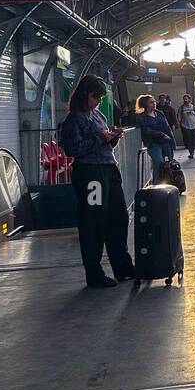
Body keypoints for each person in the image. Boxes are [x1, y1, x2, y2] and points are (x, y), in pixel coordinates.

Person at [58, 76, 134, 288]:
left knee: (118, 217)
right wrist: (102, 138)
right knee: (94, 221)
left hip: (108, 169)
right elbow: (73, 149)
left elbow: (103, 143)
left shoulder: (97, 114)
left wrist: (113, 137)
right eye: (95, 96)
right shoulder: (75, 119)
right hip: (90, 174)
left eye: (100, 97)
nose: (98, 101)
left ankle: (123, 267)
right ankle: (94, 272)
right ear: (85, 94)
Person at [136, 94, 174, 176]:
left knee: (168, 164)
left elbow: (167, 128)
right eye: (151, 102)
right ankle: (157, 183)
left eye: (154, 101)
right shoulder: (141, 117)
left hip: (165, 142)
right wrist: (160, 134)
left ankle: (169, 183)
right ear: (145, 104)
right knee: (159, 163)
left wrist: (172, 141)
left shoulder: (160, 113)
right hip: (153, 143)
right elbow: (145, 130)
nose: (154, 103)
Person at [178, 93, 195, 159]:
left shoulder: (194, 108)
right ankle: (190, 152)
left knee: (194, 140)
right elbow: (179, 118)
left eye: (186, 99)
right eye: (184, 99)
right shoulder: (181, 108)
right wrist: (179, 125)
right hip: (185, 126)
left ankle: (192, 151)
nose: (185, 100)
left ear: (189, 100)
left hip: (194, 126)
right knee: (188, 140)